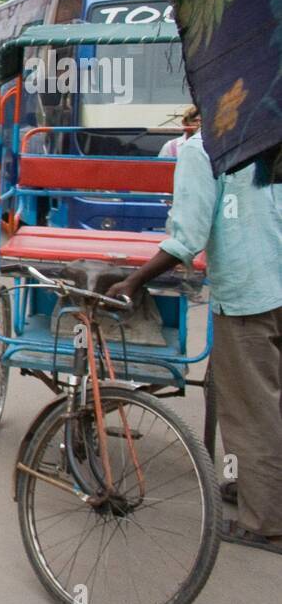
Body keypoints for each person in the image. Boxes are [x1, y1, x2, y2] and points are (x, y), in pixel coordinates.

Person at [108, 134, 282, 555]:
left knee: (251, 407)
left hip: (249, 293)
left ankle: (266, 522)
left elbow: (187, 236)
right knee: (269, 397)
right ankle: (259, 489)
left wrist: (133, 281)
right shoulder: (270, 133)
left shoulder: (205, 147)